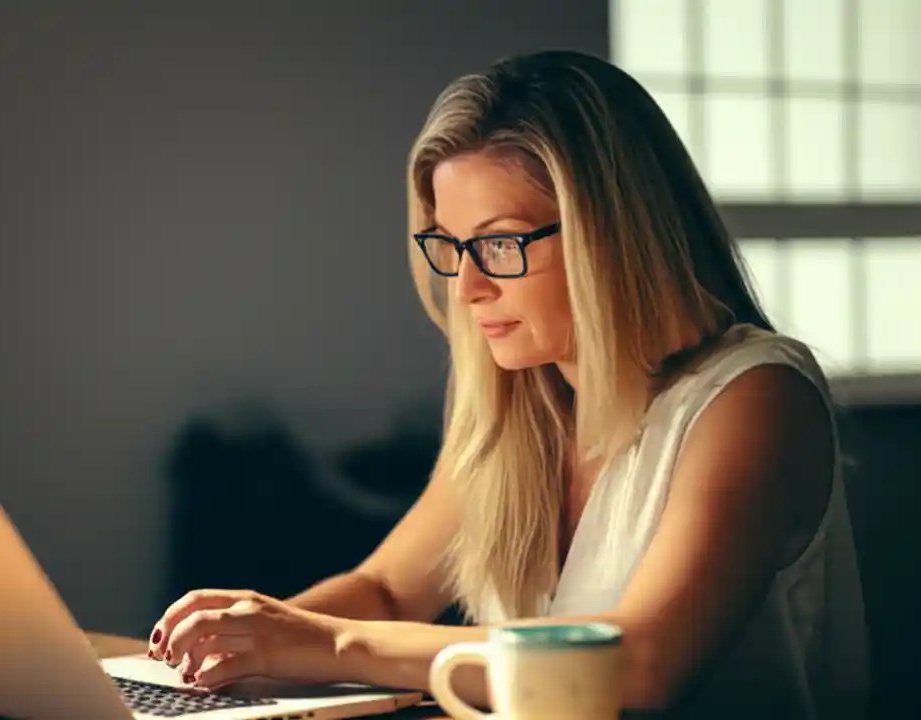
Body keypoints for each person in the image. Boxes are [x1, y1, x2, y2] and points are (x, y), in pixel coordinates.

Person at [146, 50, 868, 716]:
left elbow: (640, 662)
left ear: (611, 232)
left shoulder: (755, 397)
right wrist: (244, 644)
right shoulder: (522, 405)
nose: (467, 288)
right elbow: (387, 591)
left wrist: (328, 645)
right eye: (452, 247)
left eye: (498, 242)